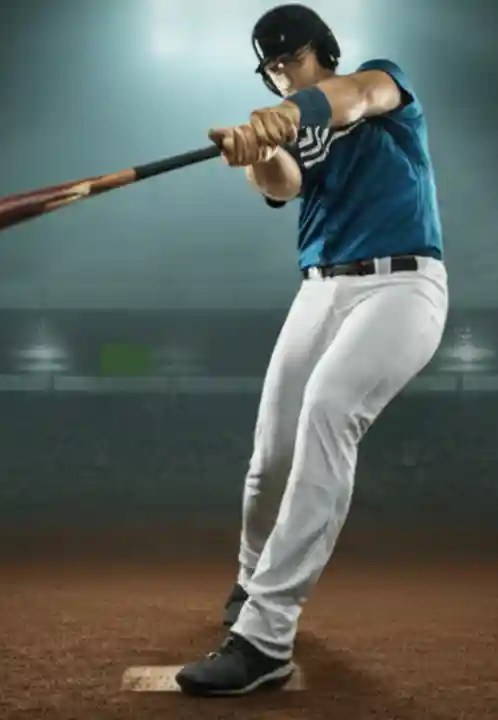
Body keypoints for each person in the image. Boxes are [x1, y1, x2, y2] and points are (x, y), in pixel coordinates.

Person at [174, 3, 449, 697]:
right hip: (320, 292)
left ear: (320, 51)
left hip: (403, 285)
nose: (279, 74)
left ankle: (265, 640)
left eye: (290, 59)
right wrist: (260, 150)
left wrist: (294, 112)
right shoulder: (286, 126)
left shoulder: (378, 81)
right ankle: (249, 583)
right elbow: (282, 186)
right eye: (269, 68)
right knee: (271, 453)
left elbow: (354, 99)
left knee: (328, 411)